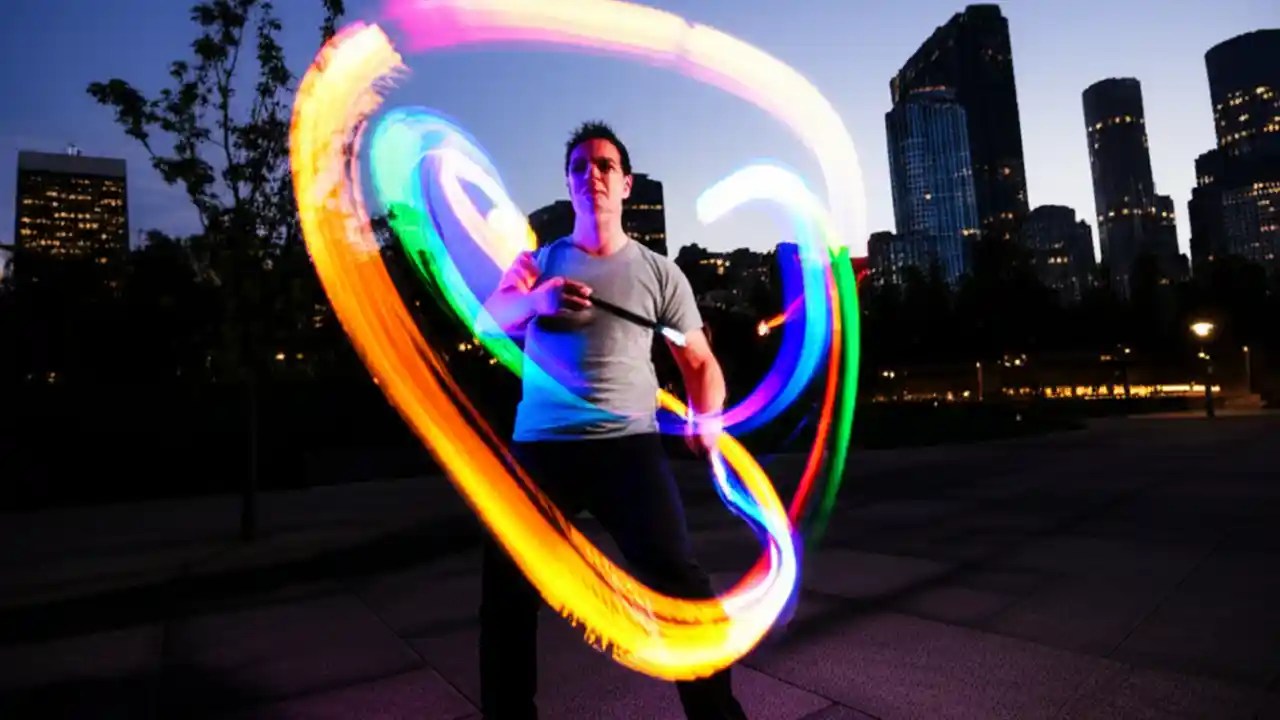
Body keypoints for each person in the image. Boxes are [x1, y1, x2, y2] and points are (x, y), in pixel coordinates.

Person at [474, 121, 748, 720]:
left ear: (626, 184)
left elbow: (699, 361)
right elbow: (488, 321)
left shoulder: (659, 273)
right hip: (542, 449)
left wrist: (709, 419)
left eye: (604, 166)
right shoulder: (537, 262)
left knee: (682, 585)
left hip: (630, 449)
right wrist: (538, 301)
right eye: (579, 167)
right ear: (568, 185)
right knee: (507, 597)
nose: (591, 175)